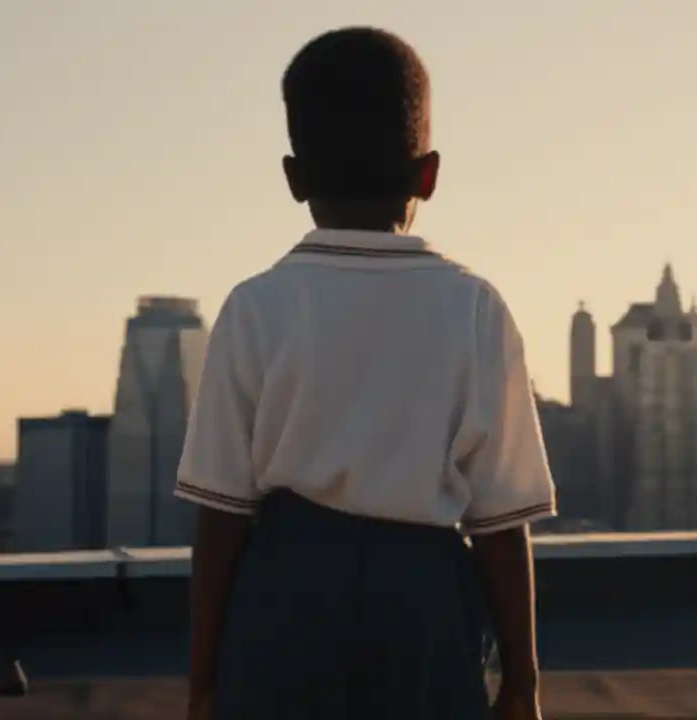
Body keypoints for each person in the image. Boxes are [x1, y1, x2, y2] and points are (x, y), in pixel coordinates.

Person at [176, 27, 556, 720]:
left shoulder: (255, 307)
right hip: (425, 605)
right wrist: (522, 685)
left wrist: (203, 688)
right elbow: (501, 523)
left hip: (283, 600)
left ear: (293, 178)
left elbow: (222, 518)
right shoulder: (474, 307)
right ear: (428, 175)